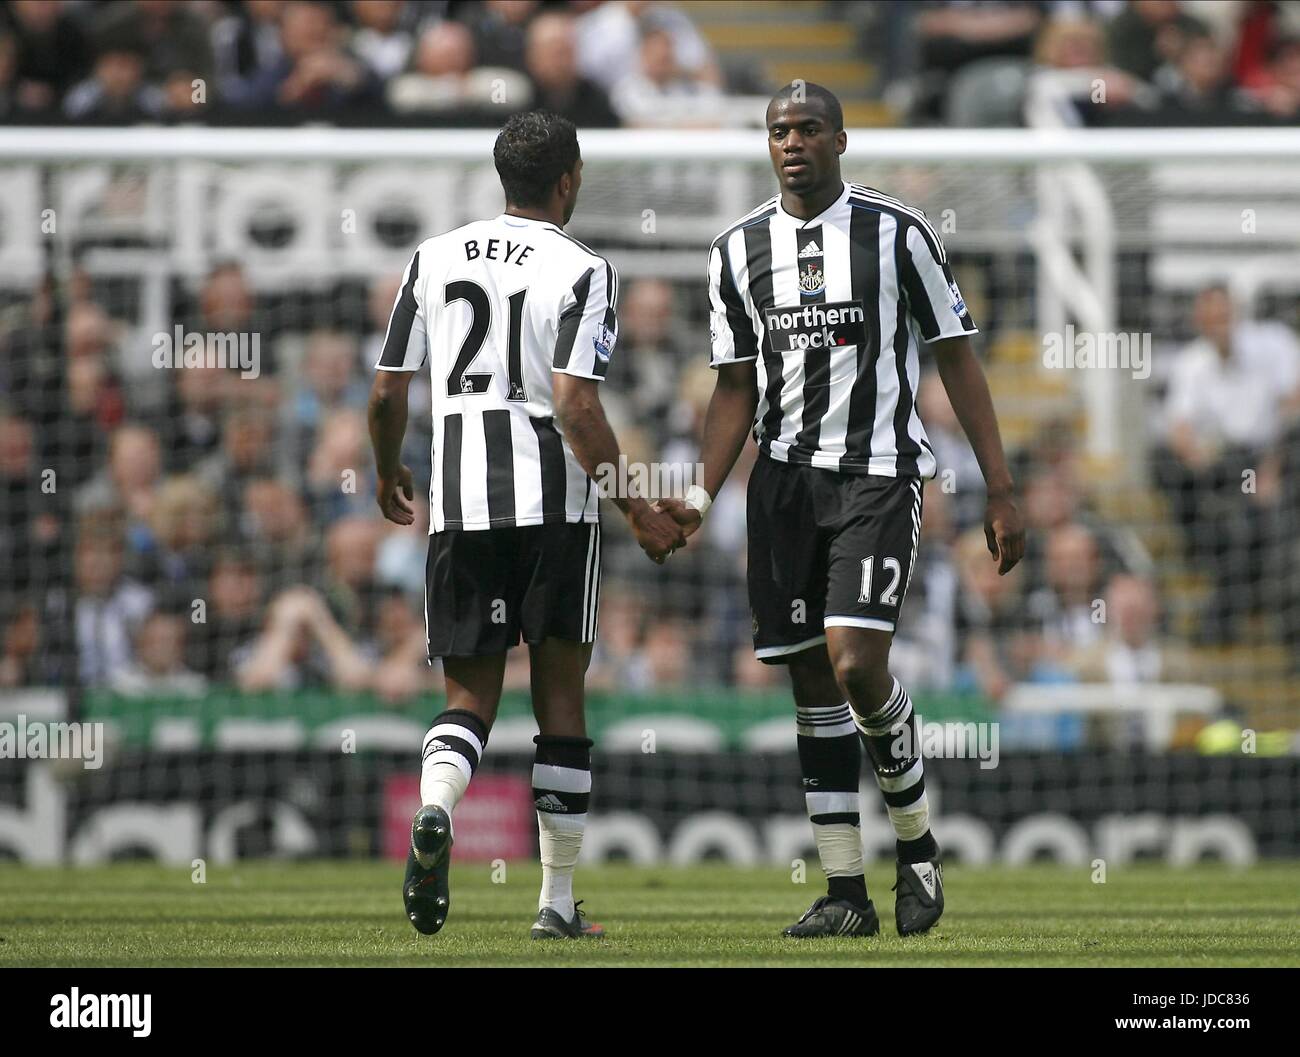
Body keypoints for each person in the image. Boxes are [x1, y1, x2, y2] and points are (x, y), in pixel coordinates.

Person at [657, 83, 1025, 939]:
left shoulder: (899, 233)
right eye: (780, 130)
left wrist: (999, 488)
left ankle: (918, 845)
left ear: (841, 139)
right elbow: (734, 386)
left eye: (809, 128)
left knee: (857, 662)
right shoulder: (735, 251)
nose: (793, 142)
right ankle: (846, 892)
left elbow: (956, 357)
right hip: (781, 486)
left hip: (879, 476)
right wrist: (702, 494)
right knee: (812, 685)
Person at [367, 109, 683, 939]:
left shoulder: (433, 258)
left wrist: (386, 465)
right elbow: (578, 406)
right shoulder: (584, 268)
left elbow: (386, 390)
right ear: (569, 180)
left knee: (470, 697)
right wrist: (640, 509)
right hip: (556, 508)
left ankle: (437, 805)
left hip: (461, 506)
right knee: (561, 703)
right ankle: (555, 901)